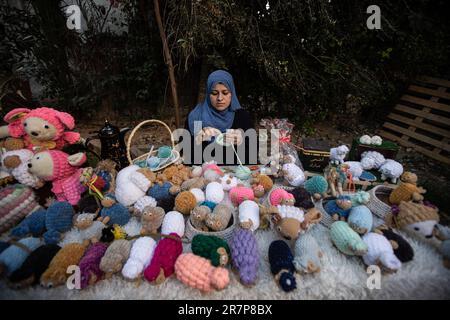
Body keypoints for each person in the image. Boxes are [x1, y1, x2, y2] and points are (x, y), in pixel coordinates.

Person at [183, 70, 256, 165]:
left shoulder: (241, 117)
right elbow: (186, 157)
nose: (220, 98)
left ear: (231, 94)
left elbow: (254, 155)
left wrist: (241, 141)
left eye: (225, 93)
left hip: (234, 175)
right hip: (204, 175)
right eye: (214, 93)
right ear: (208, 94)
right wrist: (198, 141)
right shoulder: (197, 118)